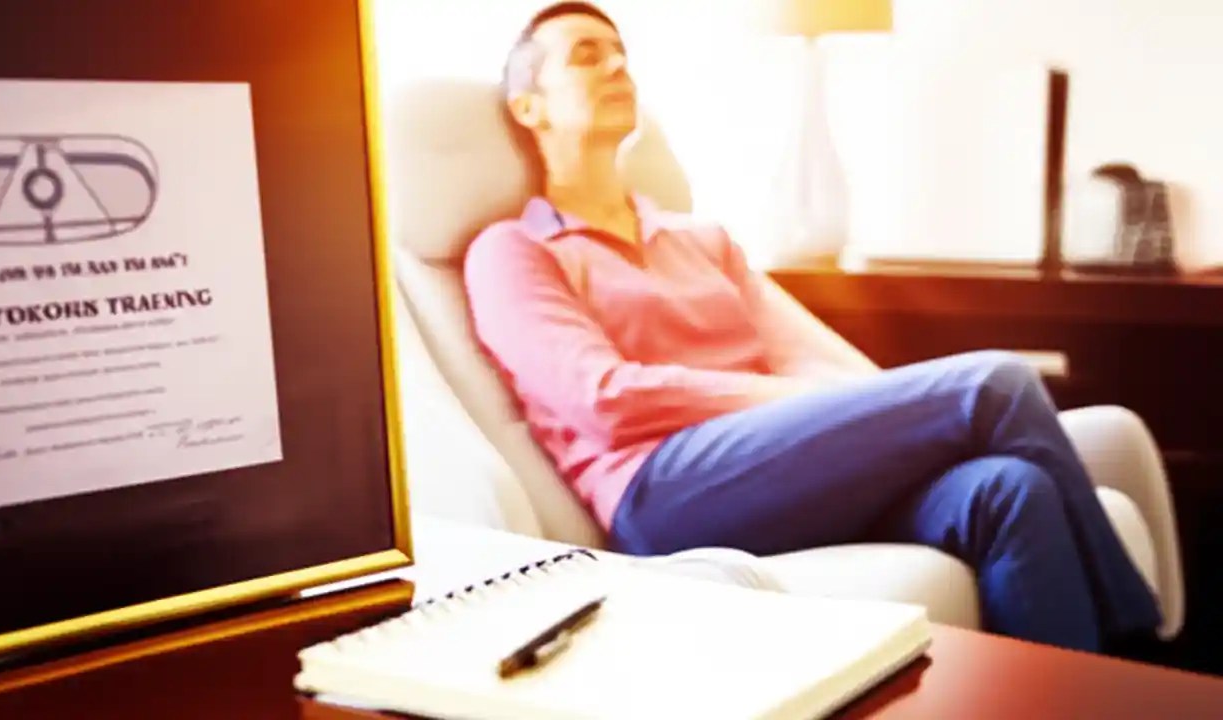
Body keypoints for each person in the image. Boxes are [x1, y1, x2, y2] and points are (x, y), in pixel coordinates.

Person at [462, 1, 1162, 654]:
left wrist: (883, 413)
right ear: (529, 106)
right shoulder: (513, 251)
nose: (617, 66)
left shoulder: (701, 239)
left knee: (1007, 489)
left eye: (621, 52)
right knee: (994, 382)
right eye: (586, 55)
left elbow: (809, 356)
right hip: (661, 491)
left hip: (779, 466)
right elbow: (606, 399)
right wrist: (788, 402)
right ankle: (1146, 653)